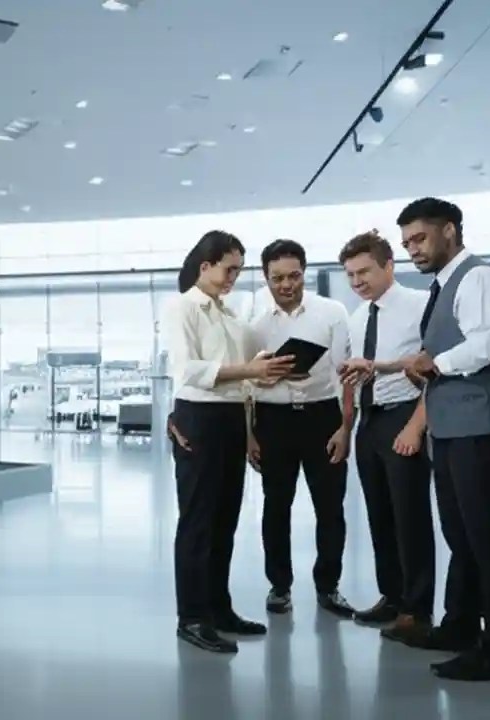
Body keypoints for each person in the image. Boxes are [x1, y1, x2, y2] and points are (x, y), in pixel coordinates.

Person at [395, 197, 490, 682]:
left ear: (450, 231)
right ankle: (460, 626)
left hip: (487, 427)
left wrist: (433, 363)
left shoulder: (479, 278)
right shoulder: (443, 285)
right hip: (456, 427)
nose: (412, 249)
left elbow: (487, 345)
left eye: (419, 238)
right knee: (461, 535)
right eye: (406, 243)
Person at [163, 230, 295, 654]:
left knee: (225, 522)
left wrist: (262, 378)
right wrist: (249, 372)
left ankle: (219, 609)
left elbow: (247, 376)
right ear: (206, 266)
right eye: (229, 269)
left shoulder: (229, 314)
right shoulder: (182, 307)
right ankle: (193, 617)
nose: (233, 277)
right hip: (199, 418)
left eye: (238, 269)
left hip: (231, 419)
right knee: (198, 522)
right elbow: (189, 370)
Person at [334, 231, 436, 645]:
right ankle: (392, 597)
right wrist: (347, 426)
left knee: (410, 517)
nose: (357, 281)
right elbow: (351, 379)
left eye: (364, 272)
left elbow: (432, 367)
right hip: (369, 422)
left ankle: (417, 608)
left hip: (404, 416)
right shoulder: (357, 318)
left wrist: (416, 425)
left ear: (388, 265)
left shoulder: (420, 305)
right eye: (350, 275)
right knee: (380, 515)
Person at [247, 239, 357, 619]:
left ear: (304, 273)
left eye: (294, 276)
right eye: (277, 278)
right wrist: (250, 434)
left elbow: (347, 378)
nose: (286, 285)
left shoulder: (332, 312)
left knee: (331, 507)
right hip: (272, 420)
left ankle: (329, 587)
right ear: (265, 278)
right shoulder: (255, 326)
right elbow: (245, 385)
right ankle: (279, 586)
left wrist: (345, 428)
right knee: (276, 507)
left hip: (322, 416)